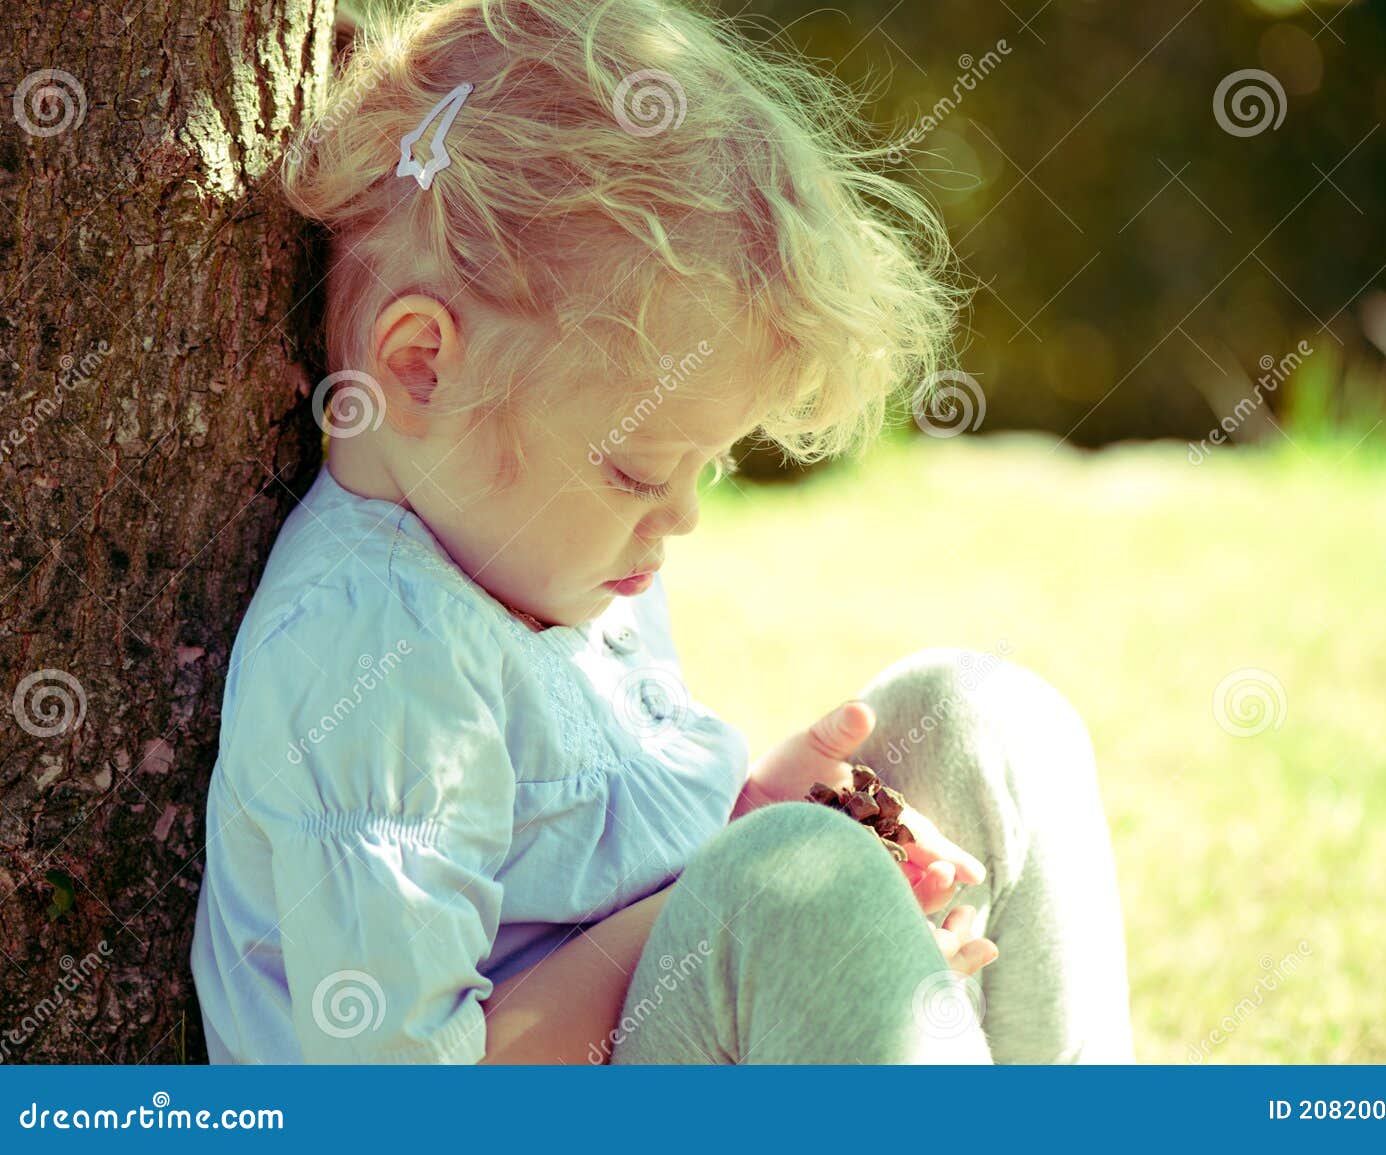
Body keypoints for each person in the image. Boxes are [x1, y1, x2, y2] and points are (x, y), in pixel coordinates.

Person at [189, 0, 1133, 1064]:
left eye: (710, 465)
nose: (681, 515)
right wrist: (746, 889)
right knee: (793, 886)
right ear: (419, 367)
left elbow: (596, 887)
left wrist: (748, 827)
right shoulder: (370, 656)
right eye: (639, 469)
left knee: (983, 717)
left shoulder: (558, 554)